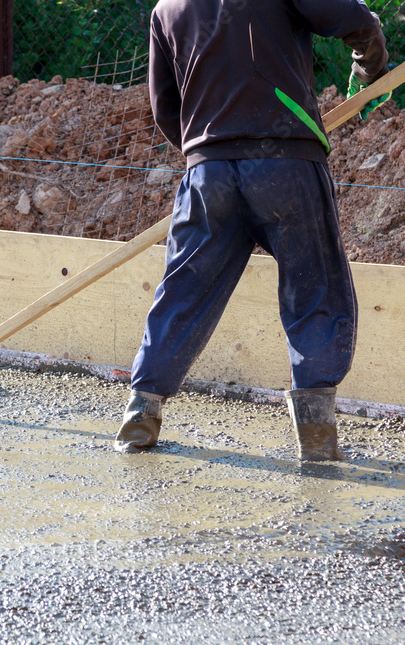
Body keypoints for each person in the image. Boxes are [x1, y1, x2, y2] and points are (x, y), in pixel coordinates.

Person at [115, 0, 390, 461]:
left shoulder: (167, 8)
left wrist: (210, 148)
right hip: (287, 166)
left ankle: (140, 416)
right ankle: (316, 437)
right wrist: (370, 72)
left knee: (183, 293)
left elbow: (166, 109)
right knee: (314, 290)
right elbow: (359, 22)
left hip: (208, 174)